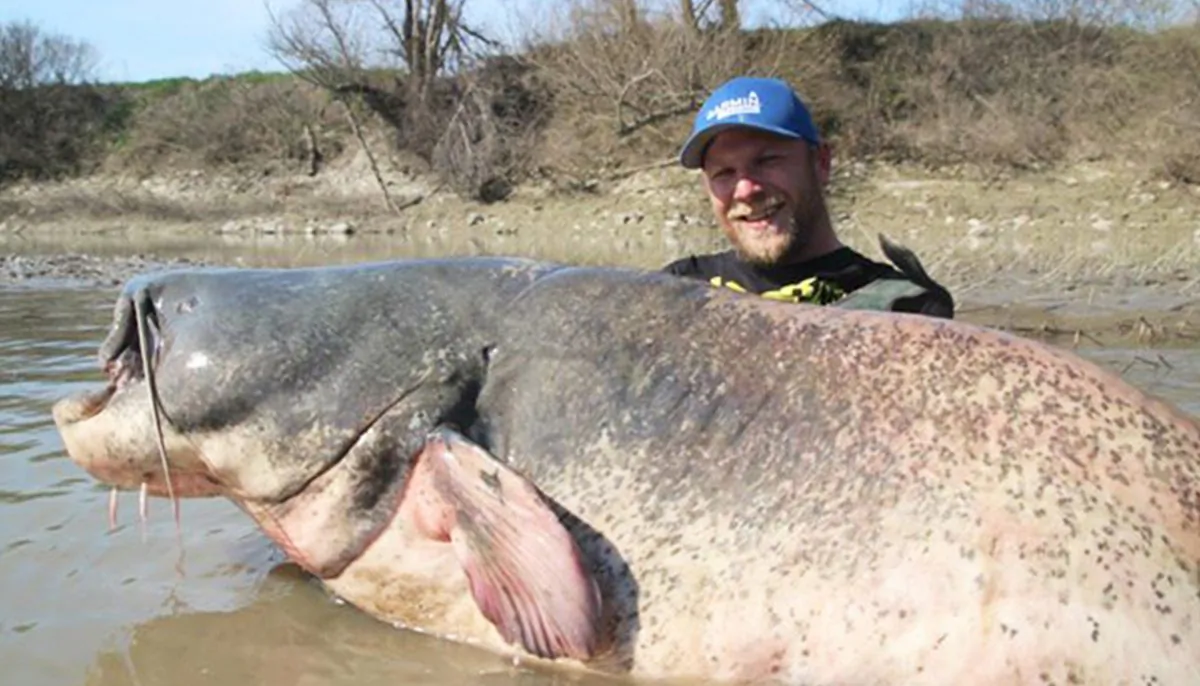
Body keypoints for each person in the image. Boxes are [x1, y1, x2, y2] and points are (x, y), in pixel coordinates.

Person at [663, 76, 955, 319]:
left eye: (767, 161)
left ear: (821, 163)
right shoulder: (675, 290)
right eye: (724, 173)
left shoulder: (907, 308)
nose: (746, 189)